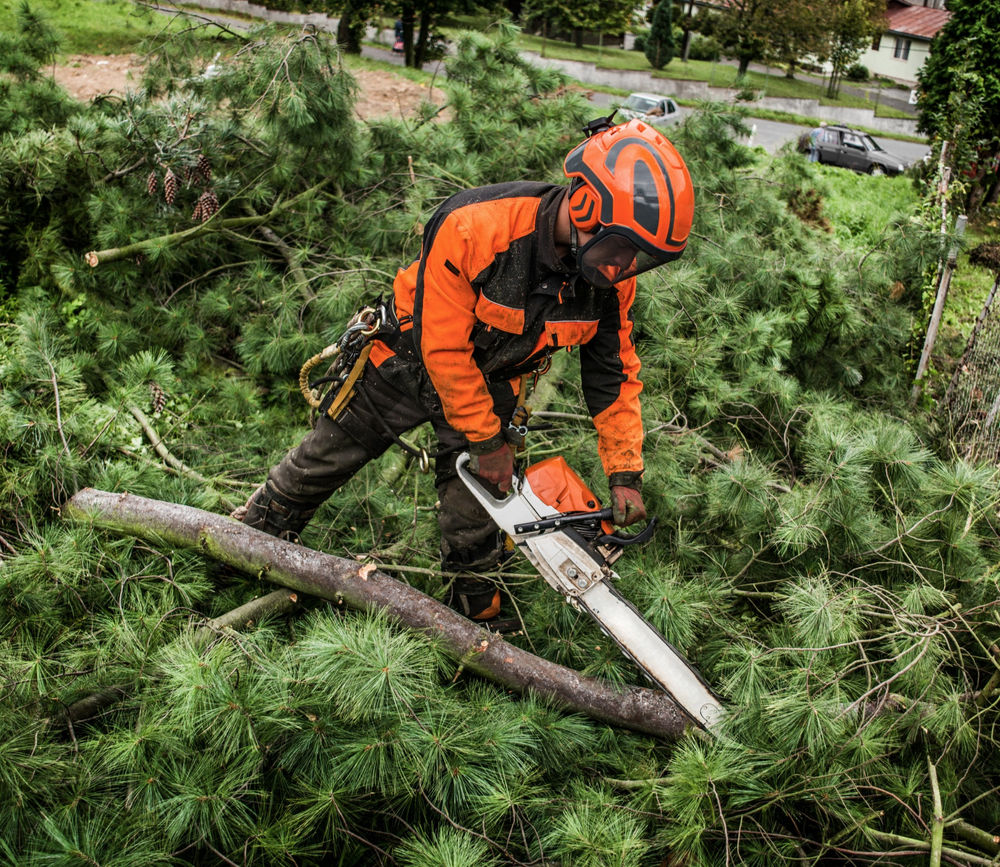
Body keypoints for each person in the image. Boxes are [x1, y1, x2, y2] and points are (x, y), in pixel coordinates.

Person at [236, 117, 695, 624]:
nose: (624, 266)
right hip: (406, 358)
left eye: (638, 258)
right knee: (321, 461)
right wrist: (487, 443)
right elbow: (444, 350)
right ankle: (244, 545)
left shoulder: (609, 280)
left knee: (477, 517)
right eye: (623, 248)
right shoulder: (476, 227)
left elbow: (614, 376)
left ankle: (476, 628)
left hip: (498, 380)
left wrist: (625, 473)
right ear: (586, 203)